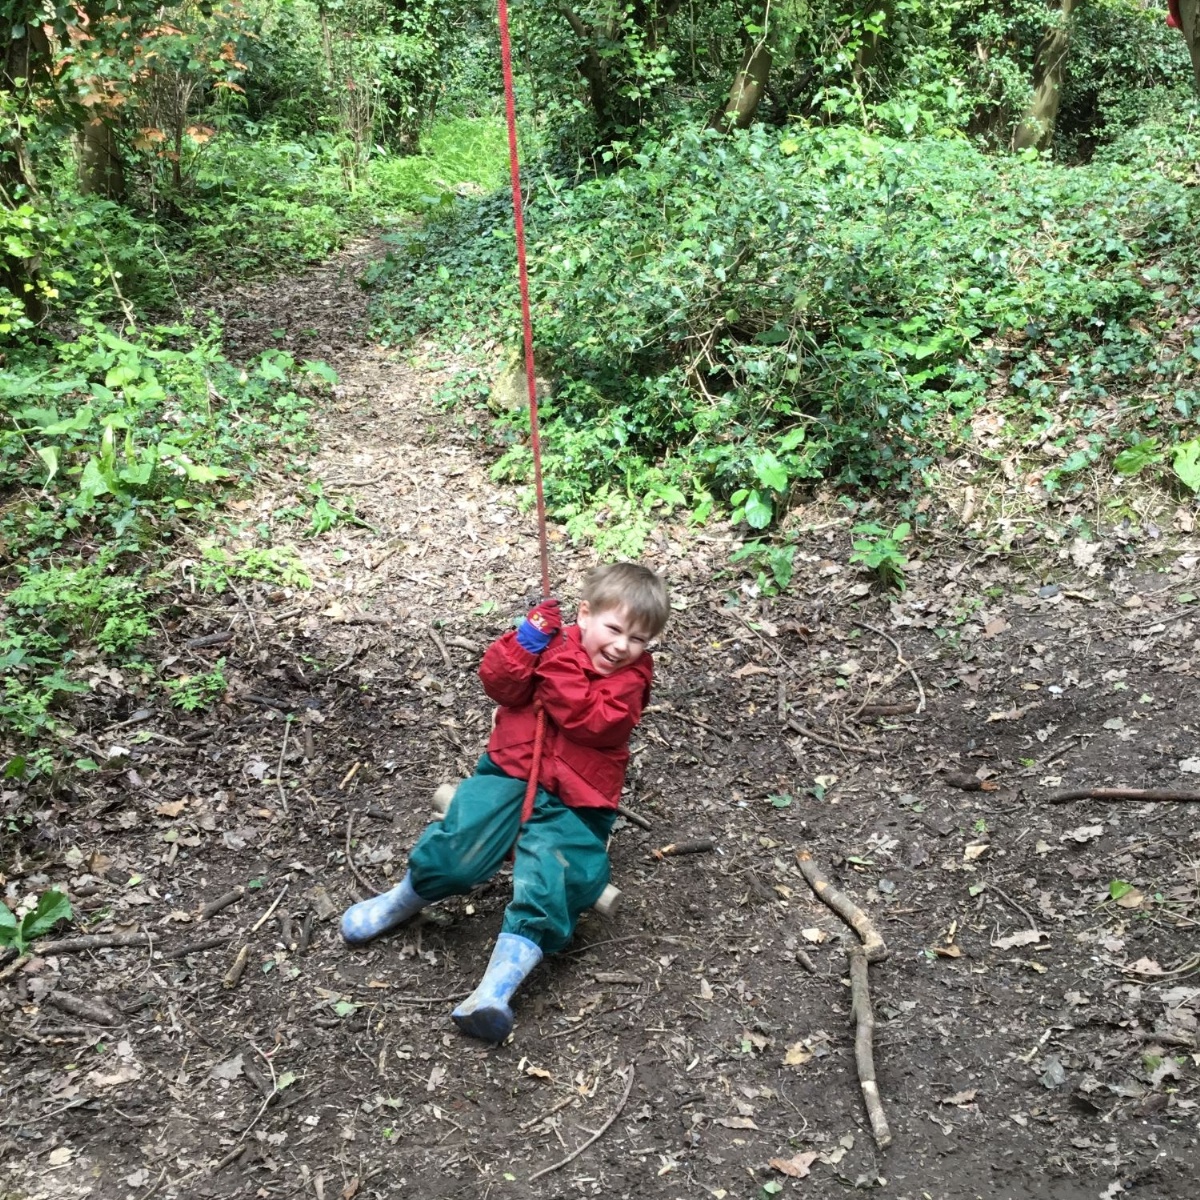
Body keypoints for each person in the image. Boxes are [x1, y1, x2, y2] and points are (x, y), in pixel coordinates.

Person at [340, 562, 670, 1042]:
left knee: (561, 872)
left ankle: (495, 991)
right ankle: (401, 900)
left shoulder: (632, 677)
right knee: (462, 838)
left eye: (639, 639)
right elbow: (500, 684)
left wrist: (554, 664)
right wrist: (525, 644)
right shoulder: (552, 643)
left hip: (580, 798)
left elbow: (594, 723)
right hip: (512, 770)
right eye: (614, 629)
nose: (623, 647)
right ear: (584, 614)